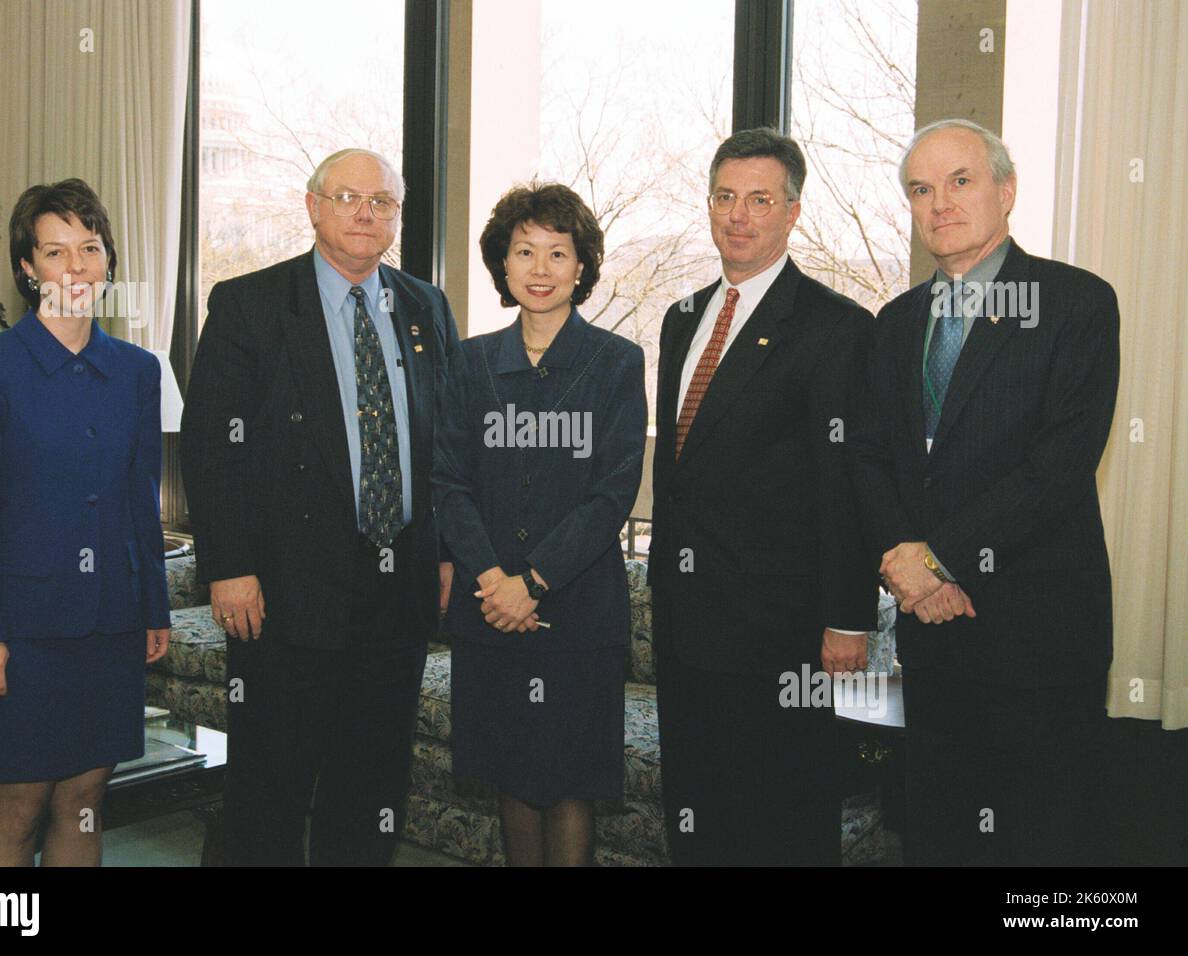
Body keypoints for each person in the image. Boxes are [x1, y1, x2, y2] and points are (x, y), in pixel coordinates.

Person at [181, 148, 459, 866]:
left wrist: (448, 551)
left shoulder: (426, 307)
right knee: (271, 790)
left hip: (395, 599)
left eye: (383, 202)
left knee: (371, 792)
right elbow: (213, 447)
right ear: (312, 207)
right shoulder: (250, 305)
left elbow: (448, 445)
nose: (366, 214)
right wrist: (230, 566)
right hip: (282, 595)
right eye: (347, 198)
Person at [852, 118, 1119, 865]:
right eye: (920, 189)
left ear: (1006, 190)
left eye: (960, 180)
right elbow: (869, 459)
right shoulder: (895, 323)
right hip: (932, 634)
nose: (939, 202)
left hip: (1037, 630)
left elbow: (1059, 466)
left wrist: (938, 558)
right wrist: (910, 571)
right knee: (937, 830)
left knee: (1039, 839)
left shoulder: (1075, 304)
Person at [649, 128, 877, 866]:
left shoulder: (835, 327)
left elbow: (847, 486)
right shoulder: (682, 318)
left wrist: (848, 620)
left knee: (783, 819)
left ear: (792, 211)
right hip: (687, 626)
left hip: (784, 634)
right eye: (724, 197)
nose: (738, 215)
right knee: (698, 814)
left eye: (760, 199)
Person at [0, 178, 171, 866]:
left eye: (90, 248)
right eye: (55, 251)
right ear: (27, 268)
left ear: (108, 262)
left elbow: (142, 498)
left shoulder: (136, 370)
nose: (75, 266)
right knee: (17, 806)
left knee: (85, 799)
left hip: (111, 621)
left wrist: (152, 606)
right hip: (21, 630)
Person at [433, 182, 646, 866]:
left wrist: (535, 581)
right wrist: (496, 581)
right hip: (487, 608)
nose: (542, 268)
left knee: (570, 781)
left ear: (582, 266)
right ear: (503, 264)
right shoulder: (467, 364)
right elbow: (448, 482)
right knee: (512, 776)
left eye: (559, 252)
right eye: (525, 251)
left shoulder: (615, 363)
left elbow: (612, 493)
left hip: (578, 612)